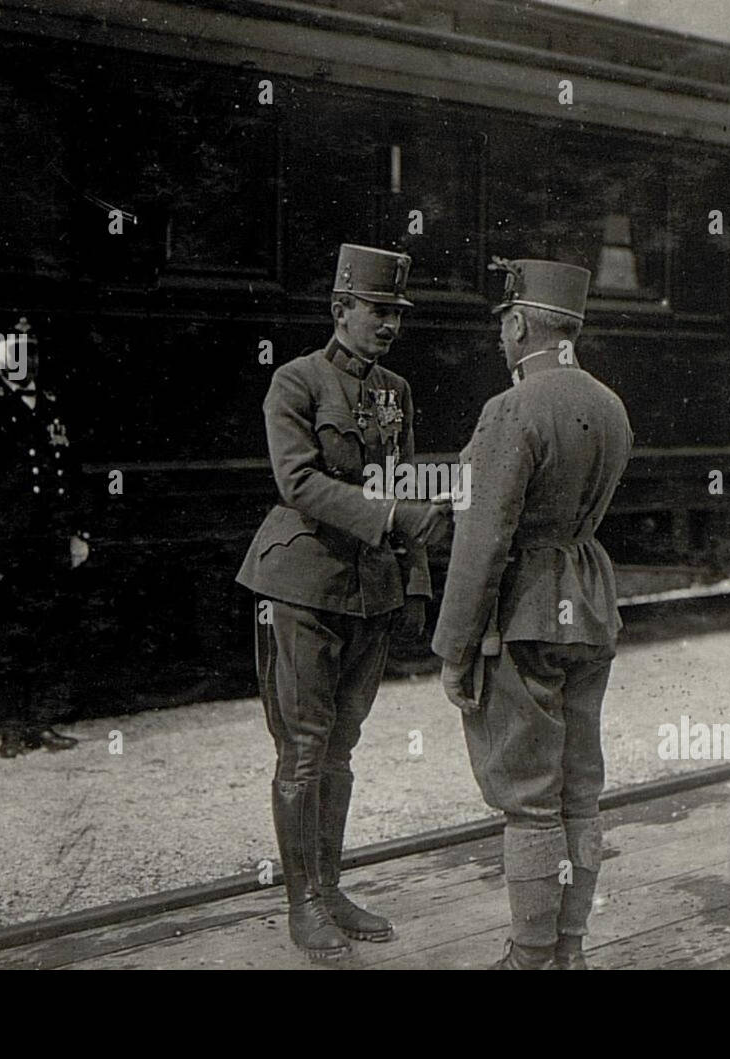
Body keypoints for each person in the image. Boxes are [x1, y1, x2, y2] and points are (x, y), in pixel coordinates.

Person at [236, 244, 449, 961]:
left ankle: (330, 887)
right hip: (298, 584)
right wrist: (390, 521)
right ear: (340, 309)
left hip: (371, 592)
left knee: (341, 746)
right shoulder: (295, 382)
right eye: (377, 310)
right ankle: (303, 903)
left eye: (396, 313)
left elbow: (410, 481)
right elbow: (298, 482)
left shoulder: (396, 390)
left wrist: (416, 580)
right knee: (302, 747)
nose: (388, 325)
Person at [432, 258, 634, 969]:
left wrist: (455, 648)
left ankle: (530, 957)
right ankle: (570, 949)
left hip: (525, 612)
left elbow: (482, 539)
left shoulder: (511, 409)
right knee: (581, 788)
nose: (498, 339)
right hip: (590, 602)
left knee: (529, 800)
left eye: (502, 325)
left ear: (520, 323)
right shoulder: (610, 404)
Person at [0, 318, 87, 758]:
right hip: (2, 542)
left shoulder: (49, 403)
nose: (27, 362)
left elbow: (68, 473)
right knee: (6, 635)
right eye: (15, 352)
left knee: (46, 632)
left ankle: (42, 724)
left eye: (33, 353)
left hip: (45, 539)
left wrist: (77, 532)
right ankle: (11, 729)